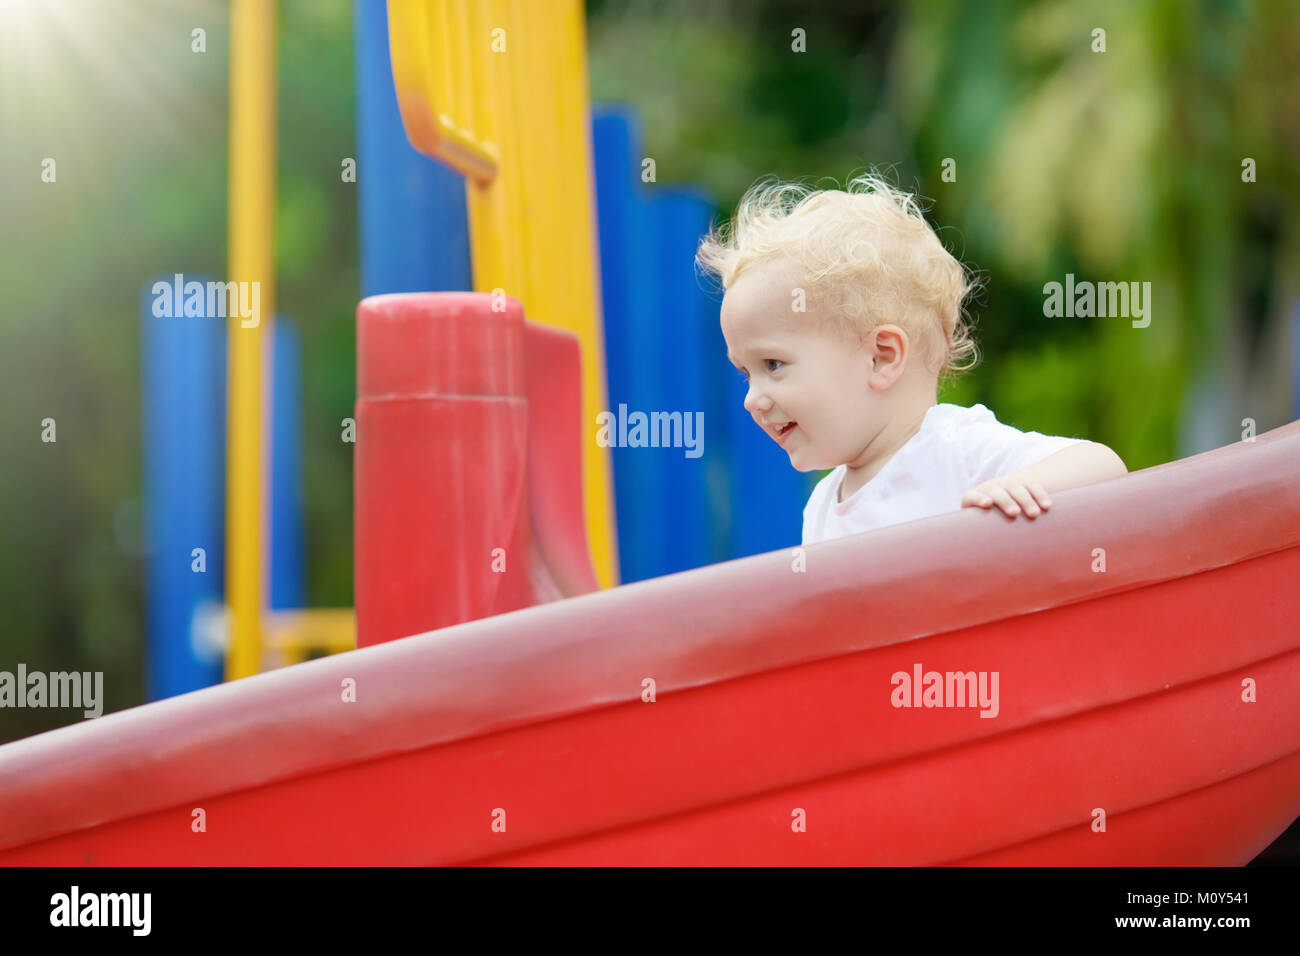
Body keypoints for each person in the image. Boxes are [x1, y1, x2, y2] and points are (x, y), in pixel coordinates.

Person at [695, 173, 1128, 546]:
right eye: (746, 372)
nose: (752, 399)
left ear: (881, 358)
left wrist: (1017, 488)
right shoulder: (822, 509)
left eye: (772, 365)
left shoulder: (956, 450)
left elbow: (1104, 467)